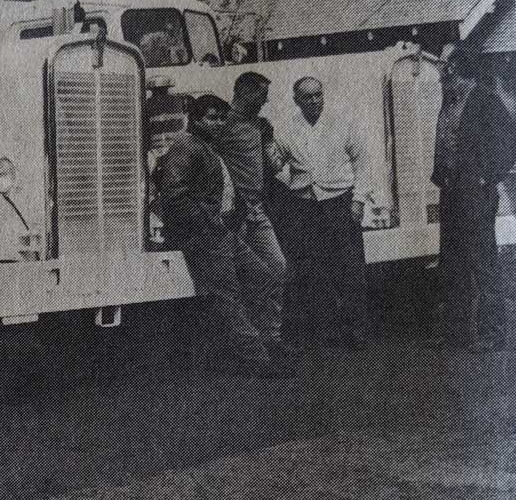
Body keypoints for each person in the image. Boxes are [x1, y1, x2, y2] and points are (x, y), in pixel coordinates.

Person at [157, 94, 292, 377]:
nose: (218, 123)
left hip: (223, 232)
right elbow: (174, 196)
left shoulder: (207, 146)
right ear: (195, 120)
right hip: (206, 236)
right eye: (211, 118)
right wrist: (208, 223)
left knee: (263, 277)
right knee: (227, 297)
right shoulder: (186, 147)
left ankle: (260, 344)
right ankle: (255, 359)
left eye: (221, 118)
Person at [429, 43, 516, 352]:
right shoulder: (449, 99)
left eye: (441, 64)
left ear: (452, 67)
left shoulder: (483, 99)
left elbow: (510, 142)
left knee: (482, 263)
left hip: (475, 194)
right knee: (452, 263)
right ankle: (455, 332)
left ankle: (492, 333)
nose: (437, 69)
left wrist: (487, 176)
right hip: (452, 192)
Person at [273, 76, 370, 349]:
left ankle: (357, 332)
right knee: (315, 271)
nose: (314, 101)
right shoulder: (287, 129)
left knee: (350, 269)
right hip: (305, 207)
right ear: (297, 100)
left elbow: (362, 161)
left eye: (318, 95)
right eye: (308, 97)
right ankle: (327, 332)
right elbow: (276, 162)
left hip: (340, 203)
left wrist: (359, 200)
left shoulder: (342, 122)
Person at [215, 72, 288, 350]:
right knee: (244, 277)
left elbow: (274, 166)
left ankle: (273, 336)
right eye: (261, 97)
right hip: (237, 214)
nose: (264, 102)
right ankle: (249, 343)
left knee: (277, 267)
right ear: (244, 93)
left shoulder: (260, 125)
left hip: (259, 211)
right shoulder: (224, 123)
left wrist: (270, 141)